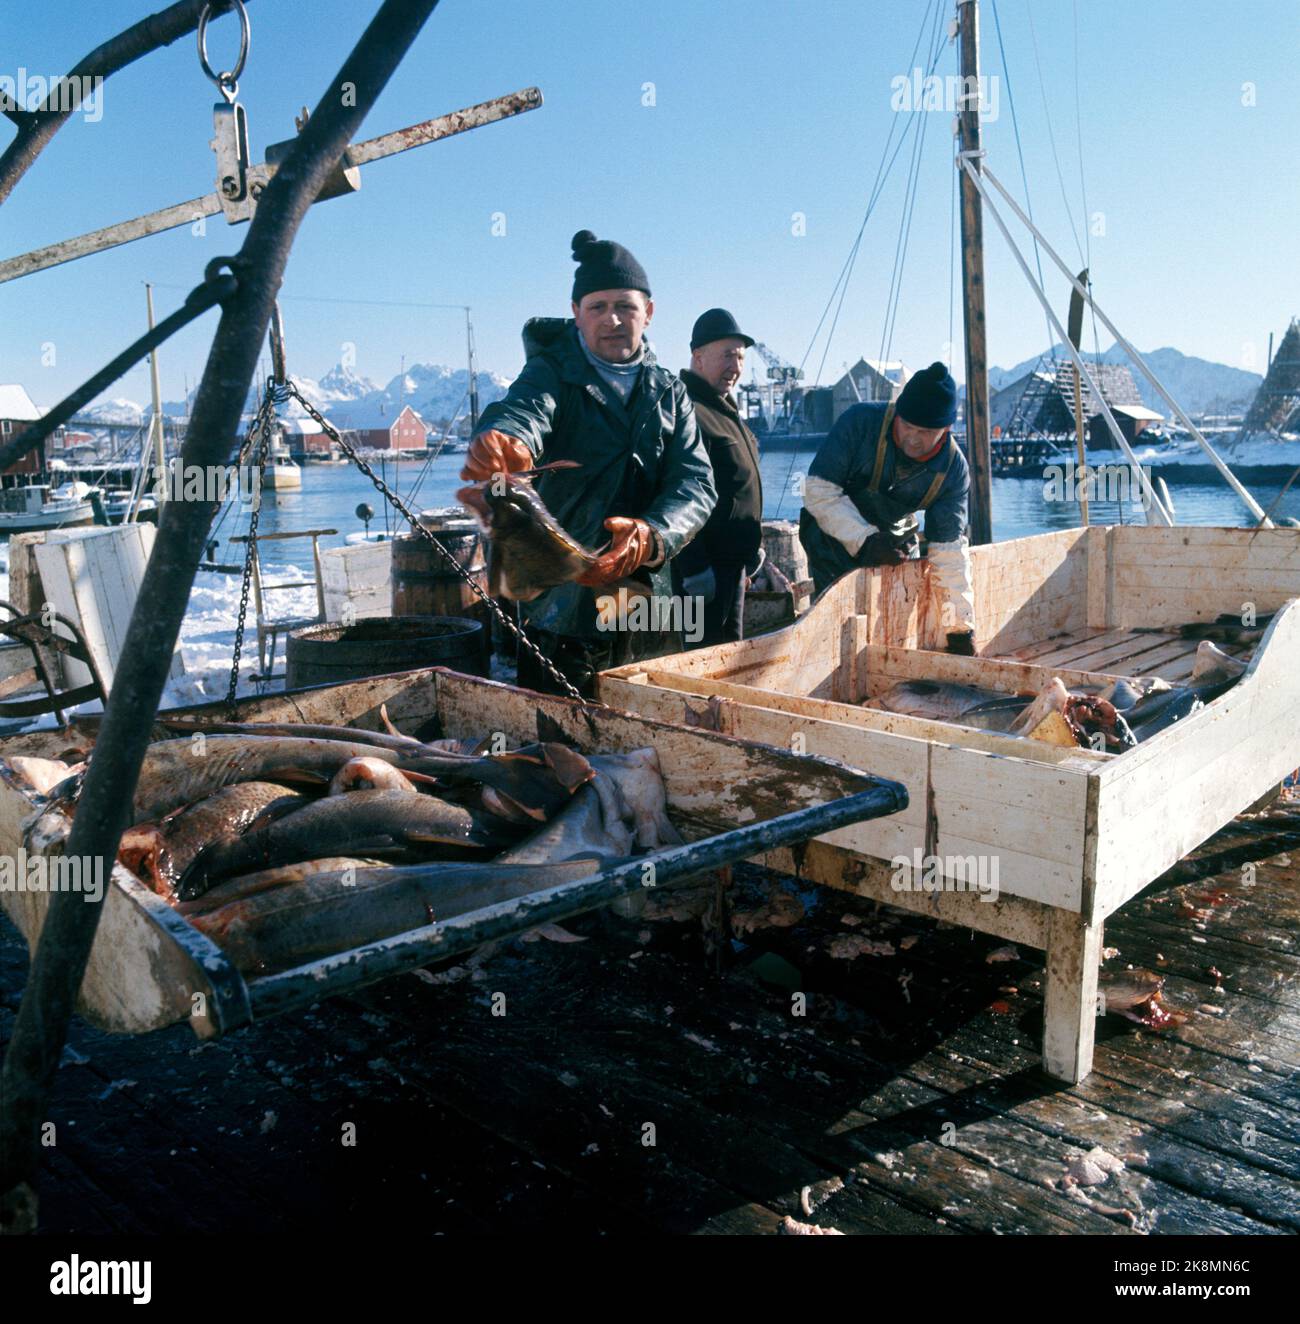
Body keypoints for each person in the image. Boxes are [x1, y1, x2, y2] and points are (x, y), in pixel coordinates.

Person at [461, 230, 716, 696]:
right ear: (577, 314)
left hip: (651, 607)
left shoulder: (670, 391)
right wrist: (505, 437)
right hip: (563, 611)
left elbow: (696, 482)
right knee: (565, 747)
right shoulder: (551, 373)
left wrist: (653, 536)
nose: (612, 319)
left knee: (655, 736)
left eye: (626, 305)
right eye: (597, 307)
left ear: (649, 313)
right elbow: (523, 408)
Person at [798, 360, 977, 654]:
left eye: (925, 431)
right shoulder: (859, 422)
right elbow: (818, 490)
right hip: (832, 534)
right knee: (834, 623)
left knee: (888, 628)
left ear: (946, 429)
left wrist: (960, 629)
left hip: (893, 541)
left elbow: (948, 553)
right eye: (907, 425)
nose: (913, 438)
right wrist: (864, 540)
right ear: (897, 413)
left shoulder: (954, 471)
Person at [676, 308, 765, 647]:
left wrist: (751, 546)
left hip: (733, 569)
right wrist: (694, 568)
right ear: (698, 357)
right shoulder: (687, 411)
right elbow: (674, 493)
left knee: (728, 660)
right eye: (727, 355)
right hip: (702, 576)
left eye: (741, 357)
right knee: (698, 665)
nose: (736, 367)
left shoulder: (724, 411)